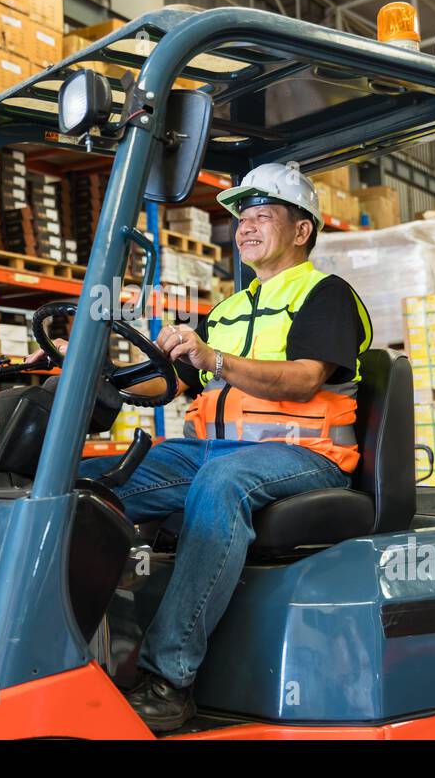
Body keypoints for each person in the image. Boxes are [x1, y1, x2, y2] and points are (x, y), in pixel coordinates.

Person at [76, 162, 373, 732]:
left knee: (222, 484)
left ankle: (170, 679)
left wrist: (213, 358)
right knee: (96, 485)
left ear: (302, 230)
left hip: (306, 456)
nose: (246, 228)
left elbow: (304, 379)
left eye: (262, 216)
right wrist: (93, 372)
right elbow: (174, 383)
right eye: (241, 219)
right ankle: (72, 646)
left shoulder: (326, 295)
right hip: (214, 450)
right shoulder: (232, 309)